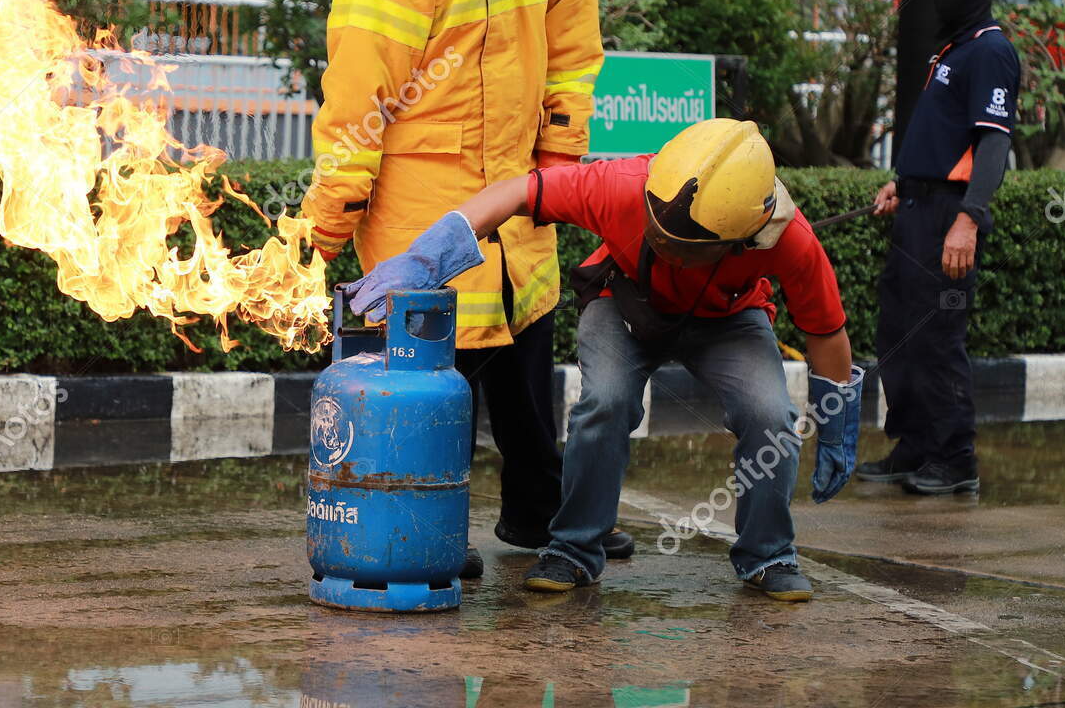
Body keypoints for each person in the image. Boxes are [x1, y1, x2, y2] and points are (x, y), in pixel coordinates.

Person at [301, 0, 632, 577]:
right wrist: (336, 202)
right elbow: (360, 76)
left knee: (522, 349)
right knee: (429, 368)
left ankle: (535, 509)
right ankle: (421, 524)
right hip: (422, 189)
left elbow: (572, 33)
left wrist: (559, 150)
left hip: (515, 179)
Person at [341, 119, 864, 602]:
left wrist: (837, 424)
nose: (662, 244)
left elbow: (827, 333)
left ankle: (767, 555)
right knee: (605, 401)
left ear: (741, 239)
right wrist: (426, 257)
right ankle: (573, 549)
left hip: (729, 321)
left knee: (770, 415)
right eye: (656, 230)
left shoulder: (788, 239)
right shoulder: (622, 186)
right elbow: (512, 193)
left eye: (681, 246)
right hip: (625, 302)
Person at [857, 0, 1021, 496]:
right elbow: (942, 138)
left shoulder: (991, 50)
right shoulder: (952, 48)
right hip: (918, 207)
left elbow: (993, 144)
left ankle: (956, 458)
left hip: (950, 216)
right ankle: (916, 447)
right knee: (900, 331)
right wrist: (900, 184)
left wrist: (969, 219)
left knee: (939, 336)